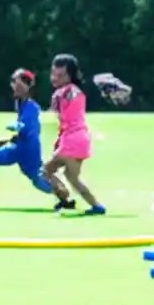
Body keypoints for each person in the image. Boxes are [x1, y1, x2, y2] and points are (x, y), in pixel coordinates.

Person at [0, 69, 55, 206]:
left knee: (37, 179)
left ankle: (63, 195)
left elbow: (26, 126)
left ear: (28, 86)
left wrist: (16, 127)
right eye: (13, 83)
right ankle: (63, 196)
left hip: (27, 149)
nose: (14, 86)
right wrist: (10, 139)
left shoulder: (31, 106)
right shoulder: (21, 104)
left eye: (18, 84)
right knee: (37, 179)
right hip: (23, 146)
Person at [43, 54, 105, 215]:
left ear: (70, 75)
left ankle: (64, 199)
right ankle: (96, 205)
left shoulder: (61, 93)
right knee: (72, 177)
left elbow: (55, 116)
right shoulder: (77, 90)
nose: (55, 78)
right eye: (54, 74)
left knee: (47, 170)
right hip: (80, 140)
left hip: (72, 140)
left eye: (60, 75)